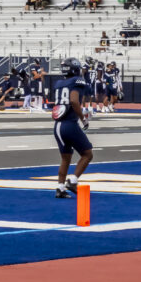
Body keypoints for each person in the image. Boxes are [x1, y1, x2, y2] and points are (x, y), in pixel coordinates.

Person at [52, 57, 94, 197]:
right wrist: (83, 119)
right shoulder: (77, 81)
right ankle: (73, 181)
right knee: (87, 154)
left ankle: (60, 188)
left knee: (65, 158)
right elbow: (74, 101)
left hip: (58, 126)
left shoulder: (59, 83)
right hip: (69, 124)